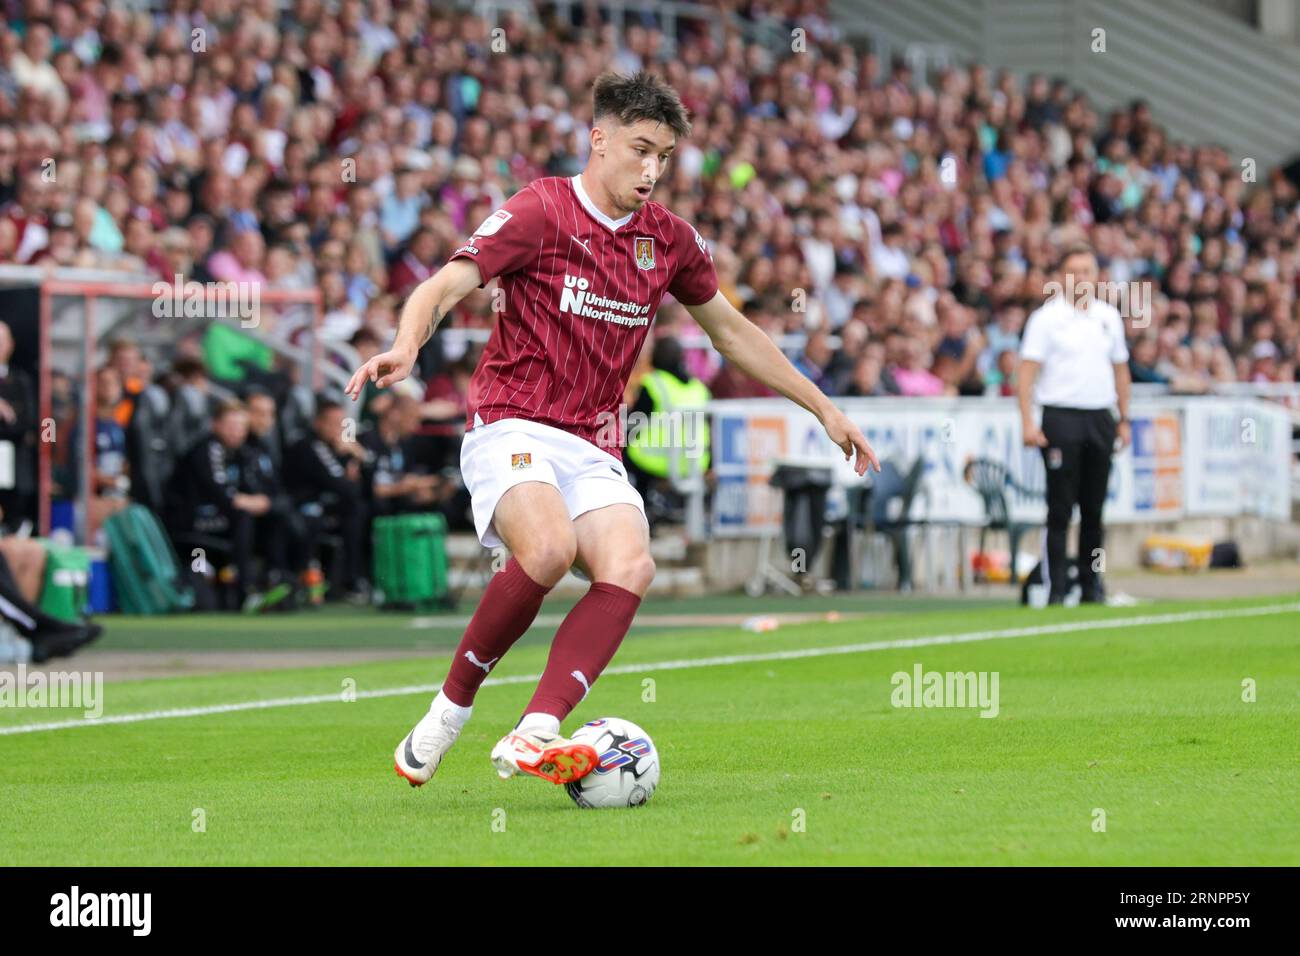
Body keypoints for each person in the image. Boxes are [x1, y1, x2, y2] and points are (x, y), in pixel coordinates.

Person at [347, 71, 878, 791]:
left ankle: (536, 729)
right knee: (549, 548)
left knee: (631, 566)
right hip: (512, 420)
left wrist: (822, 406)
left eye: (663, 155)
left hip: (594, 441)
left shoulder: (671, 241)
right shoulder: (540, 211)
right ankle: (449, 710)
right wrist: (407, 346)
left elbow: (732, 332)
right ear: (599, 140)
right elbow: (444, 283)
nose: (652, 170)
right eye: (640, 149)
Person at [1018, 245, 1132, 605]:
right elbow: (1026, 373)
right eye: (1074, 271)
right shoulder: (1046, 319)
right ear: (1063, 277)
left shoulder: (1108, 317)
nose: (1082, 278)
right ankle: (1056, 589)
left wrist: (1124, 418)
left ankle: (1091, 584)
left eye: (1087, 270)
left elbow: (1120, 370)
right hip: (1061, 417)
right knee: (1060, 510)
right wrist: (1027, 420)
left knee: (1094, 511)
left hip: (1099, 417)